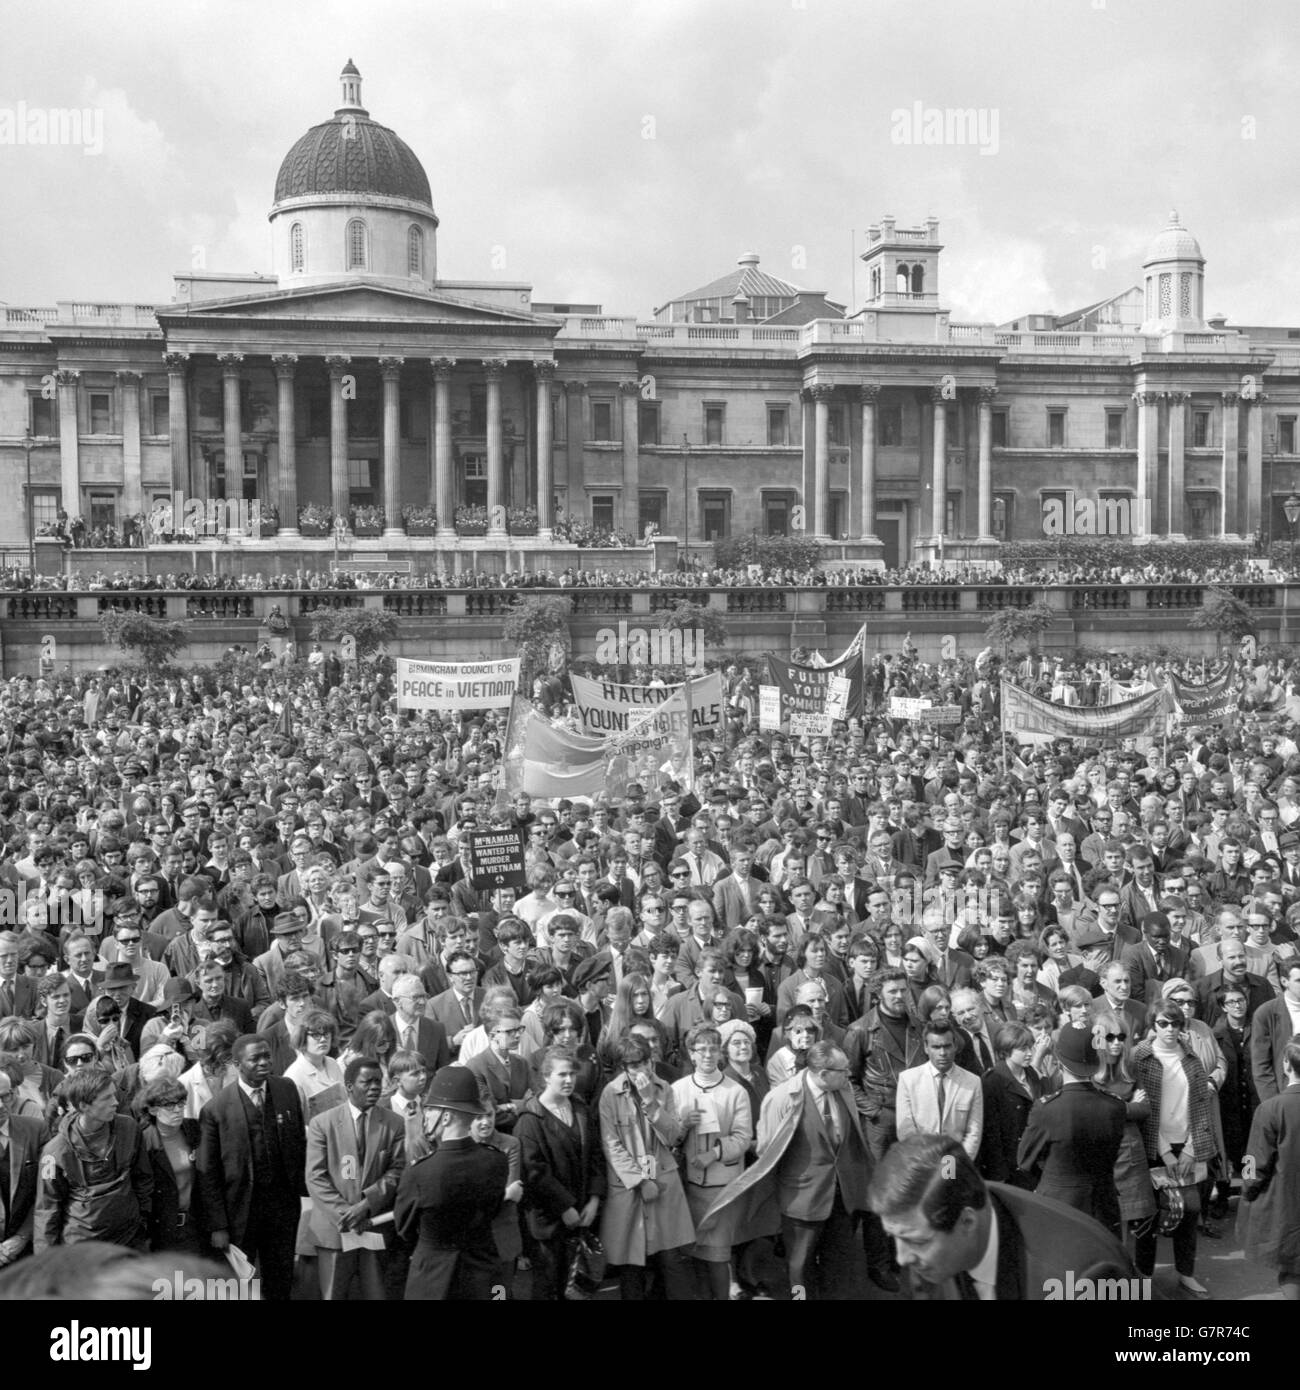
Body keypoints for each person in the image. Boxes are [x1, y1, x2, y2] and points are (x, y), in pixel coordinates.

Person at [868, 1132, 1137, 1300]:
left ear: (968, 1222)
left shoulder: (1082, 1277)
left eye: (916, 1241)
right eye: (893, 1237)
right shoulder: (932, 1225)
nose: (901, 1258)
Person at [698, 1040, 870, 1300]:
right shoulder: (780, 1098)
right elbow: (767, 1150)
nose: (849, 1075)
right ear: (823, 1074)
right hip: (801, 1199)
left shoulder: (843, 1091)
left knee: (839, 1266)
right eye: (843, 1070)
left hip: (841, 1197)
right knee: (799, 1268)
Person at [196, 1033, 308, 1301]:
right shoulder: (216, 1109)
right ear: (237, 1063)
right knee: (239, 1284)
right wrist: (218, 1225)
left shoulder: (286, 1089)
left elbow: (299, 1144)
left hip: (282, 1208)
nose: (263, 1063)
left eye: (266, 1056)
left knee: (280, 1278)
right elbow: (207, 1173)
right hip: (240, 1213)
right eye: (254, 1058)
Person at [393, 1064, 508, 1300]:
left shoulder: (420, 1172)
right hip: (484, 1275)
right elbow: (493, 1210)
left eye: (430, 1110)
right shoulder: (496, 1160)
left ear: (445, 1116)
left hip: (433, 1278)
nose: (426, 1117)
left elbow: (404, 1227)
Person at [597, 1033, 695, 1300]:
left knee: (670, 1258)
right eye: (634, 1065)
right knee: (632, 1262)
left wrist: (650, 1102)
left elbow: (674, 1136)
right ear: (623, 1067)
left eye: (645, 1063)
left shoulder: (664, 1088)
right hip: (629, 1186)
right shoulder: (610, 1093)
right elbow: (611, 1144)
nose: (641, 1070)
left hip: (663, 1180)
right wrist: (640, 1181)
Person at [1130, 1000, 1216, 1298]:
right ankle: (1143, 1277)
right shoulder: (1139, 1057)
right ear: (1152, 1025)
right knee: (1149, 1215)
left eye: (1175, 1023)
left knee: (1190, 1210)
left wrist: (1191, 1147)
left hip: (1187, 1143)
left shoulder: (1191, 1058)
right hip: (1154, 1145)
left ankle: (1186, 1273)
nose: (1169, 1029)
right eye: (1162, 1023)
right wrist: (1164, 1150)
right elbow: (1145, 1108)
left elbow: (1200, 1106)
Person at [305, 1057, 407, 1300]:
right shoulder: (323, 1123)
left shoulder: (394, 1123)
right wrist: (347, 1215)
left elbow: (397, 1170)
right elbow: (315, 1177)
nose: (374, 1087)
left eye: (378, 1081)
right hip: (334, 1230)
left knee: (376, 1294)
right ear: (349, 1086)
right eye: (367, 1082)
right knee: (333, 1295)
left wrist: (366, 1205)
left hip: (374, 1226)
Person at [1015, 1024, 1125, 1234]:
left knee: (1068, 1266)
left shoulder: (1047, 1109)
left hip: (1060, 1205)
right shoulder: (1115, 1106)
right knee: (1101, 1264)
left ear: (1059, 1061)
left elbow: (1024, 1160)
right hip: (1102, 1205)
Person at [515, 1045, 605, 1300]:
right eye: (562, 1075)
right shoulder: (530, 1119)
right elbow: (534, 1172)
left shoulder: (580, 1109)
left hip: (583, 1216)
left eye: (572, 1075)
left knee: (577, 1287)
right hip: (549, 1222)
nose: (569, 1080)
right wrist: (565, 1207)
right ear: (545, 1077)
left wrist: (594, 1199)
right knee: (548, 1287)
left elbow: (596, 1155)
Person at [670, 1023, 753, 1300]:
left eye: (713, 1049)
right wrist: (682, 1125)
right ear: (691, 1054)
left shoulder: (735, 1091)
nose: (707, 1055)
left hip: (723, 1188)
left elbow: (743, 1138)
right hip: (688, 1188)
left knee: (718, 1256)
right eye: (701, 1049)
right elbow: (667, 1139)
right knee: (694, 1256)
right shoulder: (678, 1089)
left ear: (721, 1054)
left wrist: (714, 1153)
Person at [34, 1066, 153, 1252]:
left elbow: (143, 1177)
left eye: (114, 1095)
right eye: (106, 1098)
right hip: (83, 1247)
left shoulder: (129, 1127)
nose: (115, 1102)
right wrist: (46, 1263)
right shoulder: (53, 1153)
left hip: (129, 1239)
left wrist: (143, 1220)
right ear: (83, 1106)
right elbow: (47, 1209)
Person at [1237, 1037, 1300, 1300]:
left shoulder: (1270, 1109)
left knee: (1292, 1271)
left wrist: (1248, 1192)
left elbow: (1254, 1164)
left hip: (1285, 1204)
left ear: (1286, 1064)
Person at [1092, 1009, 1156, 1242]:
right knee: (1101, 1220)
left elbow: (1145, 1109)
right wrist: (1127, 1107)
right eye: (1110, 1037)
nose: (1117, 1043)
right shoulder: (1089, 1072)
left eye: (1121, 1037)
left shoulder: (1129, 1068)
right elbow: (1094, 1113)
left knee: (1128, 1219)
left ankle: (1124, 1271)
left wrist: (1113, 1107)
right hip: (1100, 1153)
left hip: (1130, 1150)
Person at [896, 1020, 983, 1161]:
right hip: (920, 1160)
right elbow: (905, 1129)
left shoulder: (972, 1082)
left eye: (947, 1046)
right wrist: (925, 1160)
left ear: (955, 1046)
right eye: (936, 1047)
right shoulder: (908, 1080)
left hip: (955, 1159)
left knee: (948, 1182)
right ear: (926, 1047)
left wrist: (957, 1163)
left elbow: (974, 1131)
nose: (942, 1053)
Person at [137, 1075, 205, 1254]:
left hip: (194, 1225)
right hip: (162, 1231)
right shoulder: (144, 1142)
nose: (177, 1110)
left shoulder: (194, 1130)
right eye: (169, 1105)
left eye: (181, 1103)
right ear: (152, 1110)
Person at [978, 1023, 1043, 1189]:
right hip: (1010, 1166)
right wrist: (999, 1173)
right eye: (1023, 1049)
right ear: (1006, 1050)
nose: (1029, 1053)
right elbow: (991, 1133)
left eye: (1030, 1047)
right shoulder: (992, 1081)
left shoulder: (1032, 1074)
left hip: (1034, 1160)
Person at [0, 1071, 49, 1267]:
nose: (1, 1105)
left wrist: (21, 1237)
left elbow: (48, 1190)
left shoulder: (37, 1130)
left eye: (6, 1096)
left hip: (26, 1249)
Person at [283, 1008, 347, 1122]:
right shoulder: (293, 1077)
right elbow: (296, 1122)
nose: (323, 1039)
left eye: (326, 1034)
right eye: (316, 1035)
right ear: (303, 1037)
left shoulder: (333, 1063)